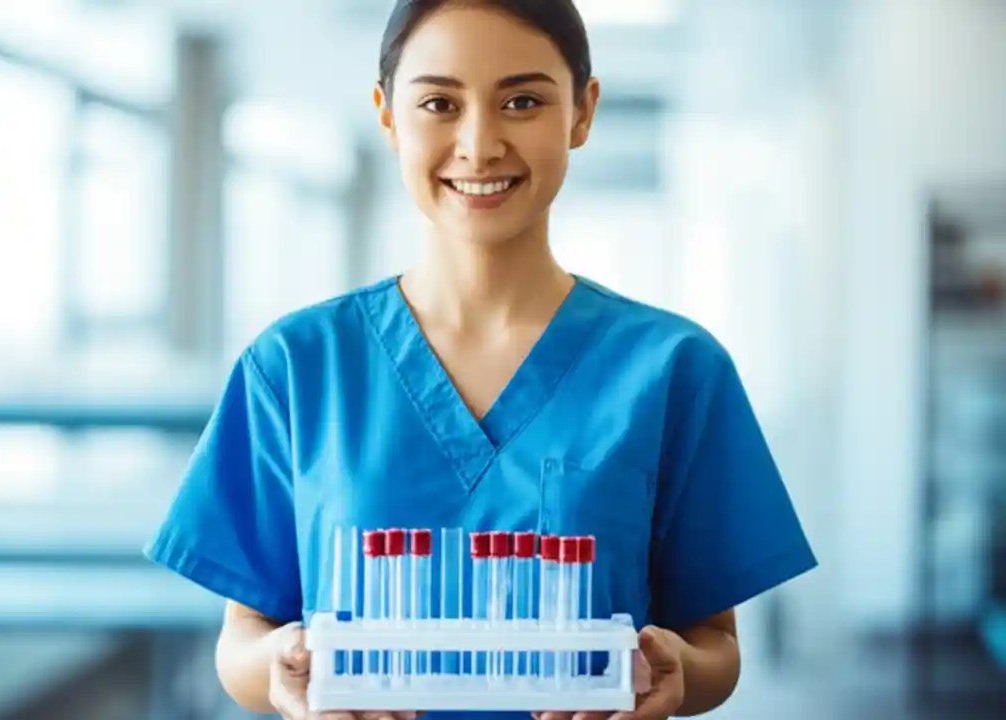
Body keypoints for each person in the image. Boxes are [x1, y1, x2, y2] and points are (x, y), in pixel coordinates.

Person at [146, 1, 817, 718]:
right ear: (388, 115)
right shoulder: (296, 366)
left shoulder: (674, 370)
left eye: (522, 102)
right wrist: (279, 667)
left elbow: (715, 645)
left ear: (583, 112)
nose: (479, 144)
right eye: (439, 103)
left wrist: (675, 668)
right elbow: (242, 642)